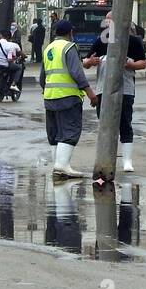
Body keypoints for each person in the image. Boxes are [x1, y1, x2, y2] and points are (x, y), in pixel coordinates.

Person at [83, 12, 146, 173]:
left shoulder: (133, 42)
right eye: (107, 21)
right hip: (102, 89)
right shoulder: (101, 41)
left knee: (125, 124)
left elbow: (143, 64)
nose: (107, 24)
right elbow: (85, 62)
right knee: (104, 124)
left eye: (110, 20)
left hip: (125, 89)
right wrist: (90, 61)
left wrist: (130, 65)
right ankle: (105, 157)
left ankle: (127, 161)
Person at [40, 19, 99, 178]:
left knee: (55, 133)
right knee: (70, 131)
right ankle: (62, 166)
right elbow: (76, 73)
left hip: (50, 99)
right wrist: (90, 93)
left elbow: (42, 78)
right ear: (69, 33)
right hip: (68, 98)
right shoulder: (69, 47)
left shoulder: (48, 49)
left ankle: (58, 167)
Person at [0, 29, 24, 94]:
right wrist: (14, 58)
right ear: (9, 37)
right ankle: (13, 84)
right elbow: (10, 58)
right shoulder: (10, 45)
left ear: (1, 35)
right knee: (19, 68)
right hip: (6, 65)